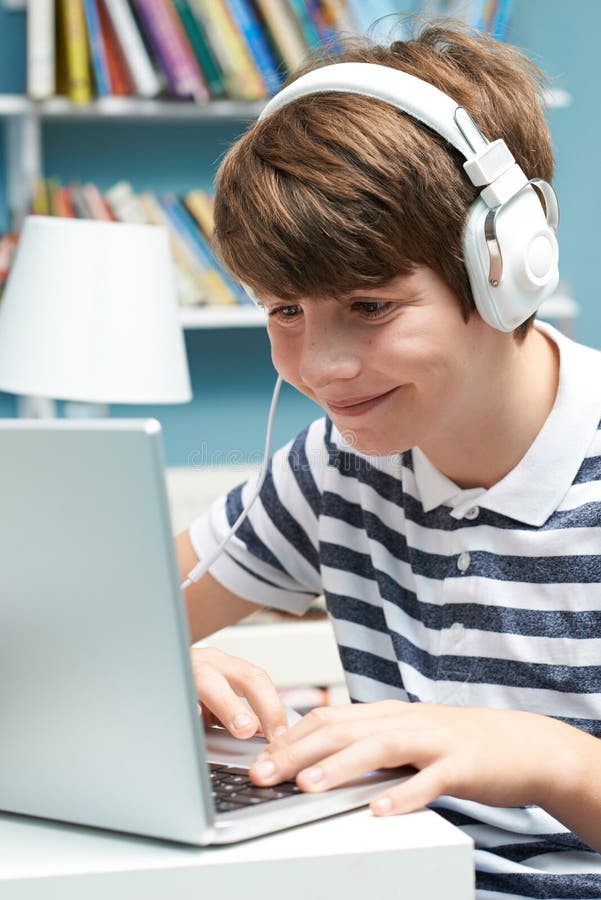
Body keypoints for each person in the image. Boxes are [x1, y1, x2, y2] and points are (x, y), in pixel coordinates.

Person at [176, 22, 601, 899]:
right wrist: (142, 664)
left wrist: (555, 763)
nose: (319, 369)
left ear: (503, 269)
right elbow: (74, 624)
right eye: (284, 310)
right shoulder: (338, 465)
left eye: (370, 305)